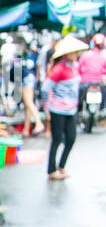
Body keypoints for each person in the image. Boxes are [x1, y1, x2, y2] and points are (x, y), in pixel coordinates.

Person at [43, 36, 86, 179]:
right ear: (66, 53)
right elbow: (45, 89)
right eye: (73, 51)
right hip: (58, 110)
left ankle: (61, 166)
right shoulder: (59, 69)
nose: (76, 54)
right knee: (56, 140)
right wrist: (46, 109)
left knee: (71, 139)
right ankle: (51, 171)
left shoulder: (74, 66)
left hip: (71, 110)